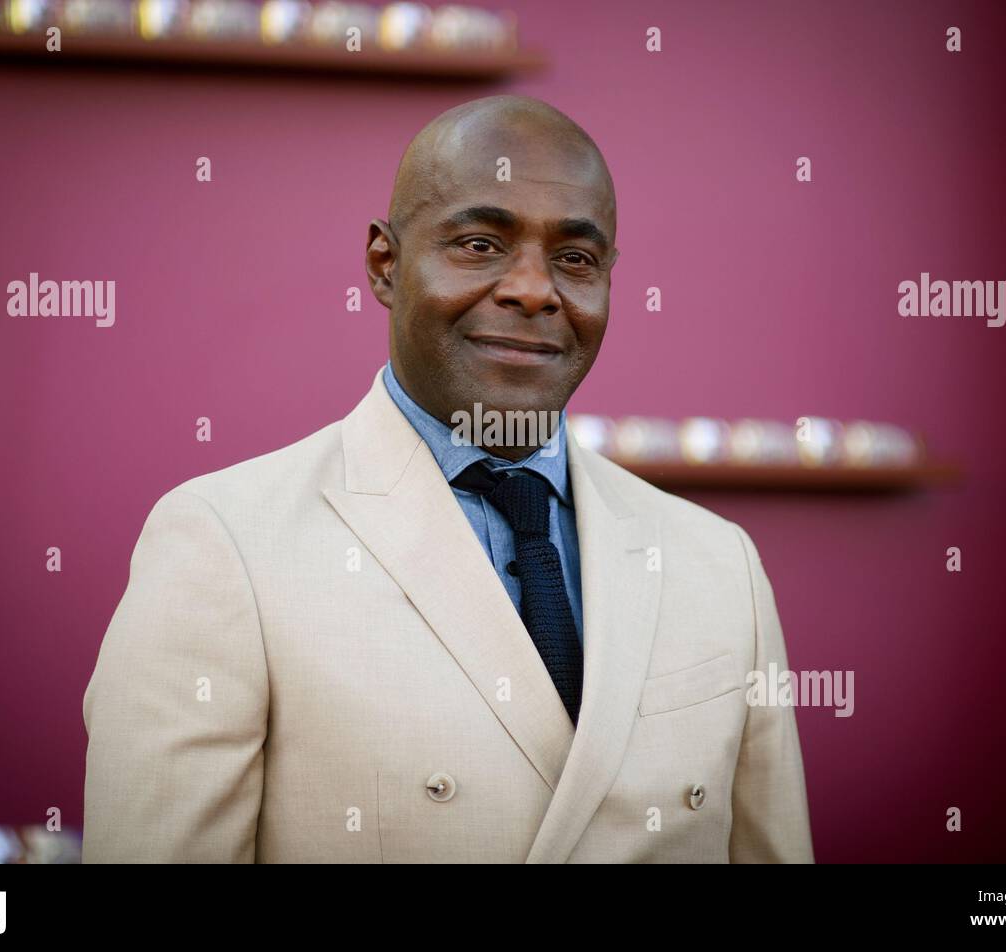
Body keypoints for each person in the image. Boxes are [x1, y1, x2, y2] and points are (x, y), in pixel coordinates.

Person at [82, 94, 814, 863]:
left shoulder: (716, 562)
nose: (534, 289)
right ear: (384, 264)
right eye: (478, 244)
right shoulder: (226, 546)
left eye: (574, 259)